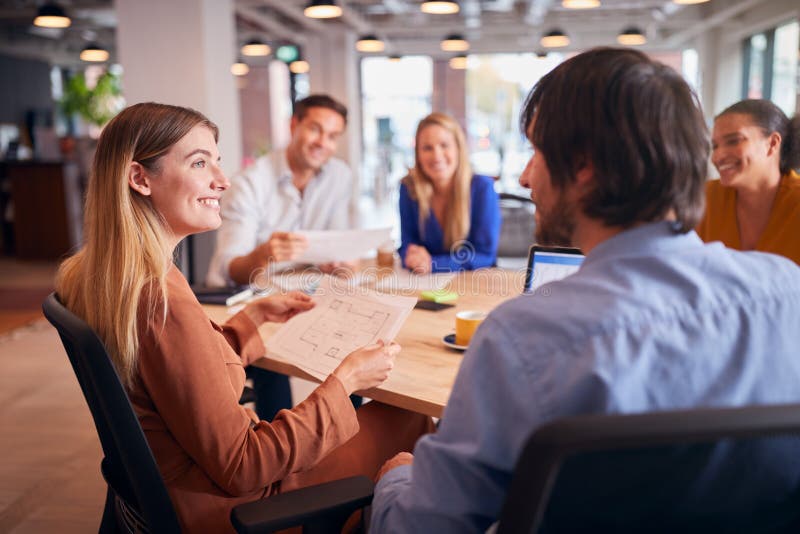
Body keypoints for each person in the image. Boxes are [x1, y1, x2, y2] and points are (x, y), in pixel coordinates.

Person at [370, 48, 800, 532]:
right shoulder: (788, 293)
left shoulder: (520, 338)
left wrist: (395, 483)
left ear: (583, 167)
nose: (524, 176)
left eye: (536, 151)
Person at [55, 102, 432, 533]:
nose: (222, 180)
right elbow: (245, 465)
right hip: (234, 505)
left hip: (174, 487)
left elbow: (183, 376)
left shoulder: (106, 276)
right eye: (200, 163)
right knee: (412, 421)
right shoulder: (161, 298)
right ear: (140, 178)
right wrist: (345, 381)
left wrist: (251, 320)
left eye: (216, 161)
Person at [206, 94, 359, 420]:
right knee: (268, 352)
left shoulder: (339, 176)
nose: (323, 143)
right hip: (255, 299)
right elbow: (230, 269)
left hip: (308, 294)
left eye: (332, 136)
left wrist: (338, 261)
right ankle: (276, 444)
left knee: (355, 339)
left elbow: (336, 243)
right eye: (315, 129)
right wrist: (264, 254)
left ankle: (346, 439)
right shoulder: (250, 184)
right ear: (294, 125)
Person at [696, 99, 800, 264]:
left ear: (772, 144)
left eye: (734, 141)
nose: (717, 157)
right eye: (715, 146)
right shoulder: (705, 198)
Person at [398, 112, 501, 273]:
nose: (436, 155)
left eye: (444, 145)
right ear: (418, 154)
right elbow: (407, 243)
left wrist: (433, 264)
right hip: (422, 285)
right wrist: (411, 257)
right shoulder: (409, 188)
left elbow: (484, 255)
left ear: (458, 149)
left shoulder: (482, 188)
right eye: (427, 148)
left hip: (471, 286)